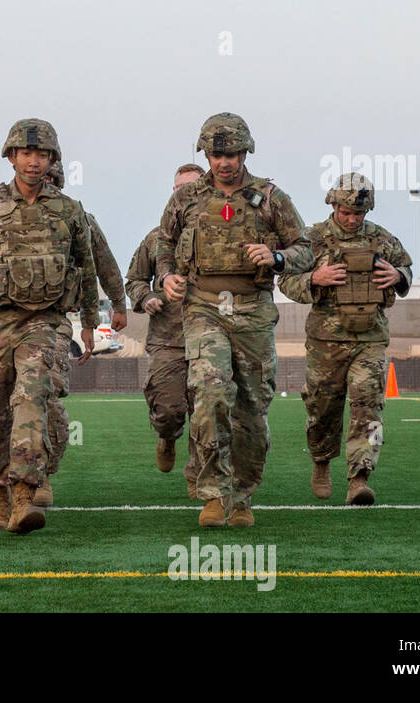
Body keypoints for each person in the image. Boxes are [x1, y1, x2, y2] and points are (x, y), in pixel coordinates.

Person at [155, 113, 313, 527]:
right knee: (208, 393)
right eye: (217, 153)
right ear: (205, 153)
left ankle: (242, 494)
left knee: (251, 407)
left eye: (233, 153)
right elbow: (164, 246)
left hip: (253, 309)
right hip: (203, 305)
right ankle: (213, 493)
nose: (225, 162)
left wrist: (277, 257)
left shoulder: (270, 197)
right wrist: (168, 275)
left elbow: (305, 250)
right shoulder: (185, 198)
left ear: (247, 152)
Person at [0, 118, 98, 534]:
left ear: (52, 159)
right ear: (12, 156)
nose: (34, 162)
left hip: (46, 322)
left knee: (32, 395)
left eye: (42, 154)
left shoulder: (69, 211)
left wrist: (89, 323)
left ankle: (23, 494)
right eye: (26, 153)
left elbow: (85, 268)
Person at [277, 172, 413, 505]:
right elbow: (285, 280)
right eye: (346, 213)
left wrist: (397, 276)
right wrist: (315, 277)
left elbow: (406, 269)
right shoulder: (312, 239)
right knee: (323, 408)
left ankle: (359, 478)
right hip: (326, 342)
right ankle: (321, 461)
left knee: (369, 407)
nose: (352, 220)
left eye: (359, 214)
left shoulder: (383, 240)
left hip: (370, 339)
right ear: (333, 205)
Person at [39, 159, 128, 507]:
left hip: (54, 320)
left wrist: (118, 305)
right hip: (5, 323)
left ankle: (42, 473)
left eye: (51, 178)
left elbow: (104, 265)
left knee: (45, 393)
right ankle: (5, 485)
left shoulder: (79, 219)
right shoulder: (2, 214)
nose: (44, 182)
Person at [125, 163, 203, 497]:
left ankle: (200, 477)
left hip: (210, 337)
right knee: (169, 410)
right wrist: (146, 299)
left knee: (208, 410)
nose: (184, 193)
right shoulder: (155, 240)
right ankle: (167, 438)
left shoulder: (222, 234)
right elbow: (134, 281)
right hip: (168, 340)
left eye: (192, 187)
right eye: (179, 189)